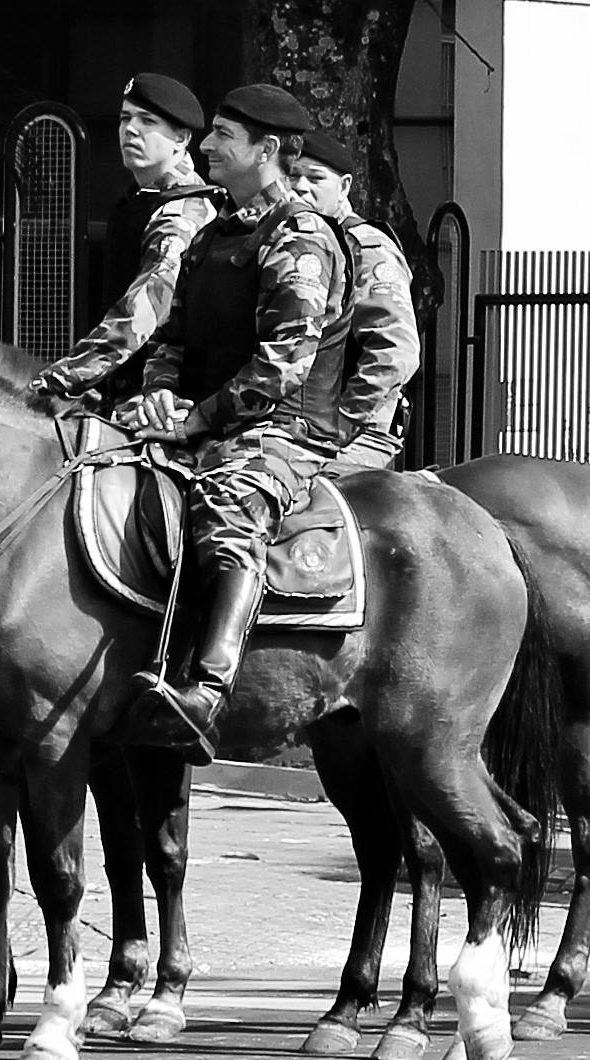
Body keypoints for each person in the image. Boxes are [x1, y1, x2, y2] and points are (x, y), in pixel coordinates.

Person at [114, 84, 351, 763]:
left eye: (221, 134)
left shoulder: (302, 237)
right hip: (199, 422)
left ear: (267, 151)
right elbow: (173, 339)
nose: (207, 146)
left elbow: (282, 368)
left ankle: (206, 691)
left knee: (227, 500)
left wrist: (195, 418)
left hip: (278, 434)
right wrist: (159, 398)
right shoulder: (217, 233)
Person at [31, 72, 219, 415]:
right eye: (125, 118)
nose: (130, 129)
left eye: (147, 121)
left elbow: (143, 312)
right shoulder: (143, 196)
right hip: (122, 390)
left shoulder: (181, 214)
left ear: (181, 138)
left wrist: (61, 378)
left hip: (166, 399)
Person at [286, 129, 420, 477]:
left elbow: (395, 352)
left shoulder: (366, 248)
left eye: (315, 178)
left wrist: (341, 422)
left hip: (359, 431)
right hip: (299, 423)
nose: (300, 187)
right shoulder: (290, 241)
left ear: (344, 186)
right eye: (293, 175)